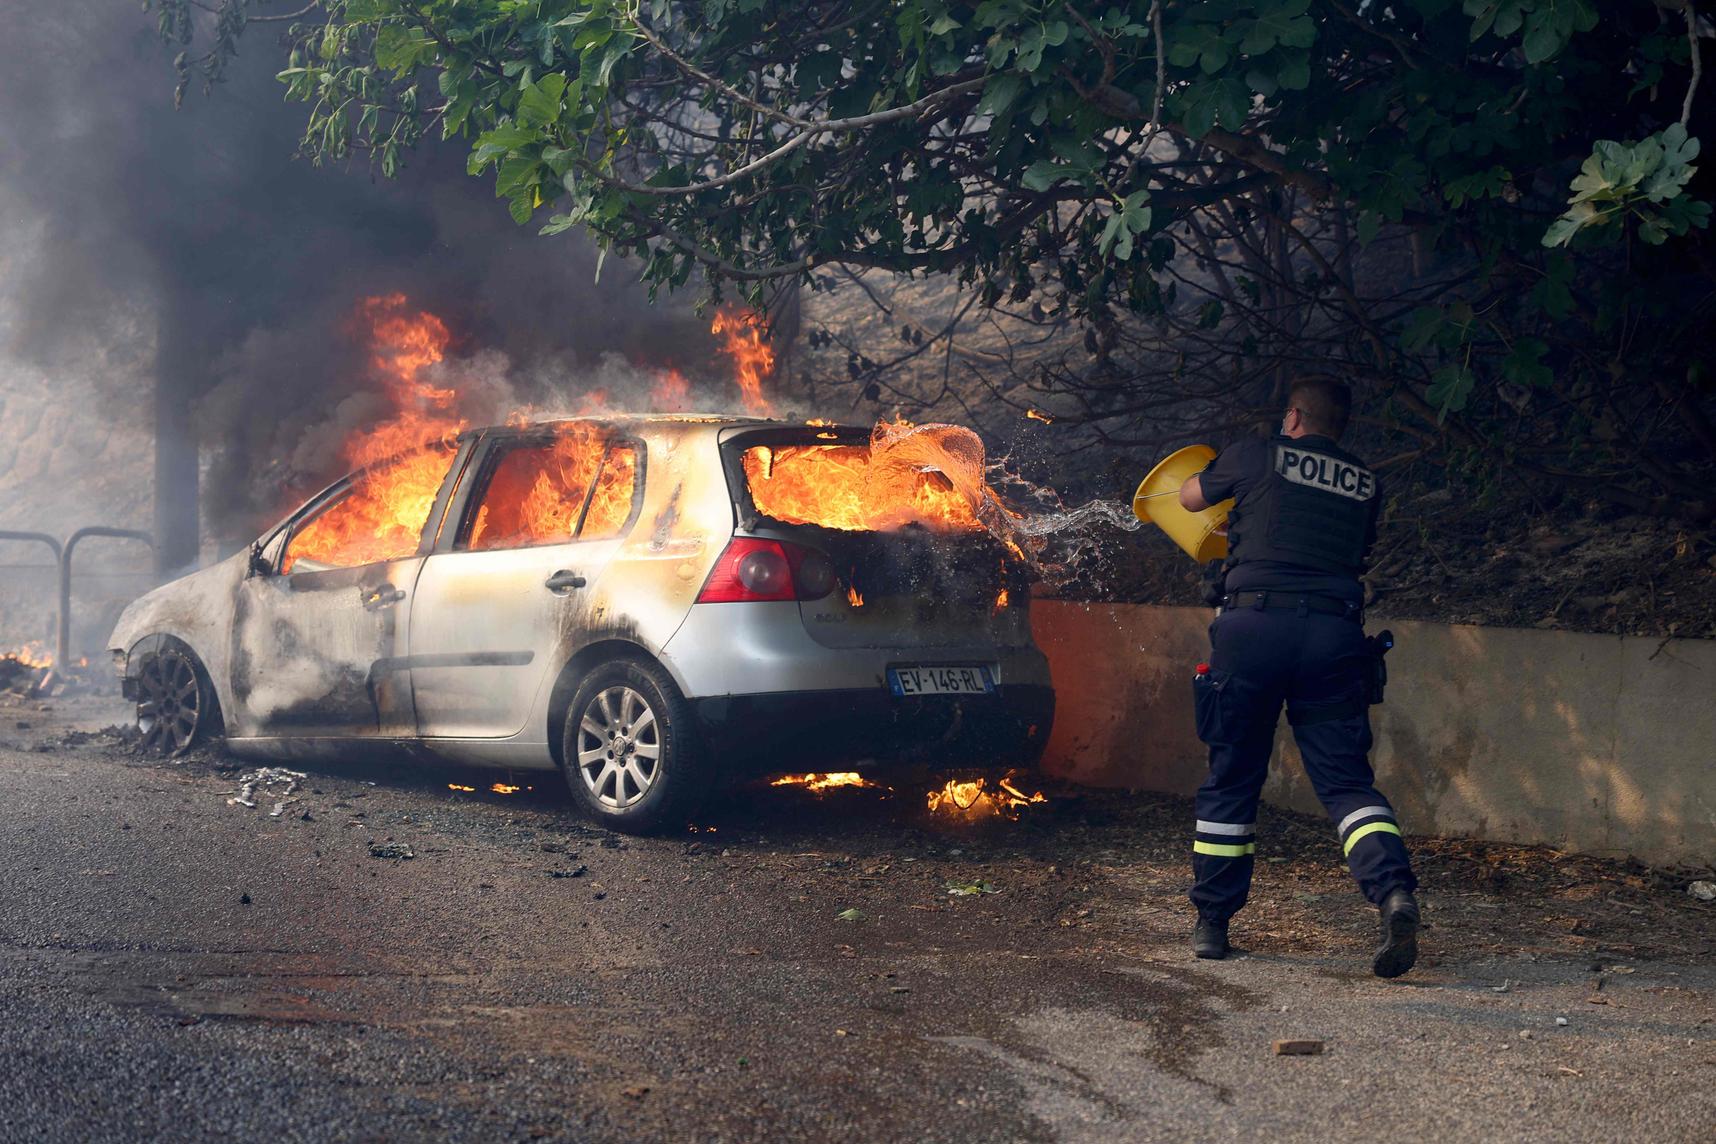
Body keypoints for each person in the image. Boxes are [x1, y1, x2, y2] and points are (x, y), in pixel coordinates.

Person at [1176, 378, 1420, 978]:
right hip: (1334, 639)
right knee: (1347, 784)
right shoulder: (1365, 482)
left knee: (1233, 776)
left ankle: (1213, 924)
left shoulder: (1256, 453)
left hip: (1254, 630)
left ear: (1292, 417)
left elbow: (1186, 497)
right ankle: (1393, 894)